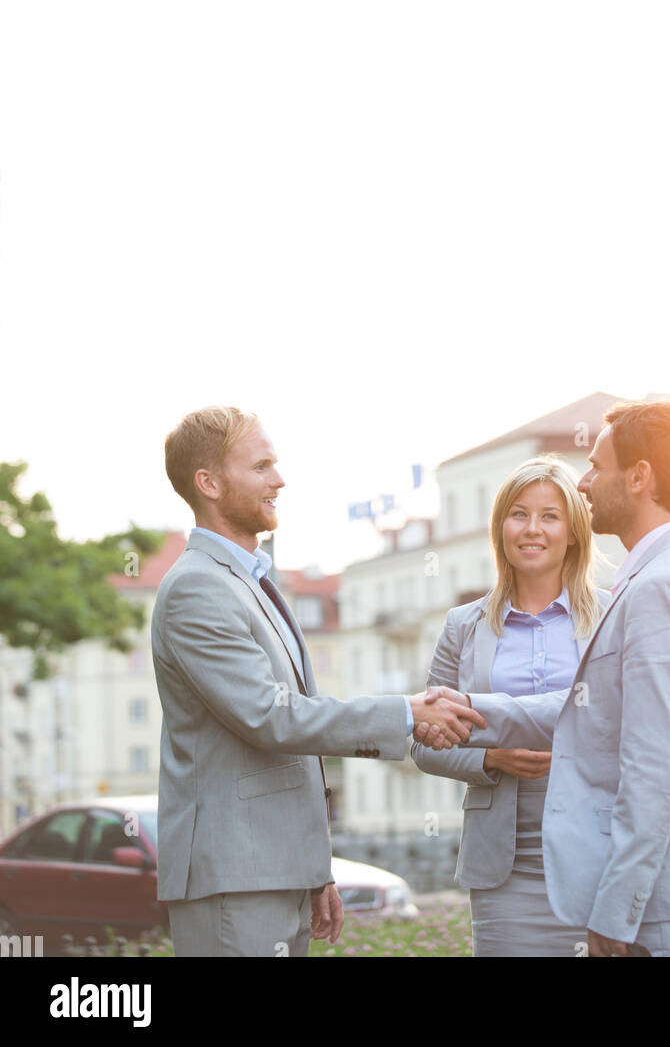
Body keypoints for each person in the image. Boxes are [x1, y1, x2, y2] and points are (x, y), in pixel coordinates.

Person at [423, 402, 670, 958]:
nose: (584, 481)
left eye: (595, 465)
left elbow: (654, 766)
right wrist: (469, 710)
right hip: (609, 878)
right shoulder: (667, 573)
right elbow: (595, 709)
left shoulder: (660, 589)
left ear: (639, 477)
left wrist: (615, 910)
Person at [151, 405, 483, 957]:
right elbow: (272, 717)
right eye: (260, 467)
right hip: (236, 879)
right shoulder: (197, 589)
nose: (278, 480)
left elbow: (291, 737)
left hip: (273, 872)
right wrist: (406, 713)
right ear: (208, 482)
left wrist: (313, 868)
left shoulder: (248, 581)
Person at [412, 456, 610, 956]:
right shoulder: (463, 625)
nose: (532, 529)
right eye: (518, 514)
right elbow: (424, 742)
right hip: (505, 864)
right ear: (500, 528)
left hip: (600, 854)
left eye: (550, 516)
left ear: (573, 531)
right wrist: (489, 759)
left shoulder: (614, 615)